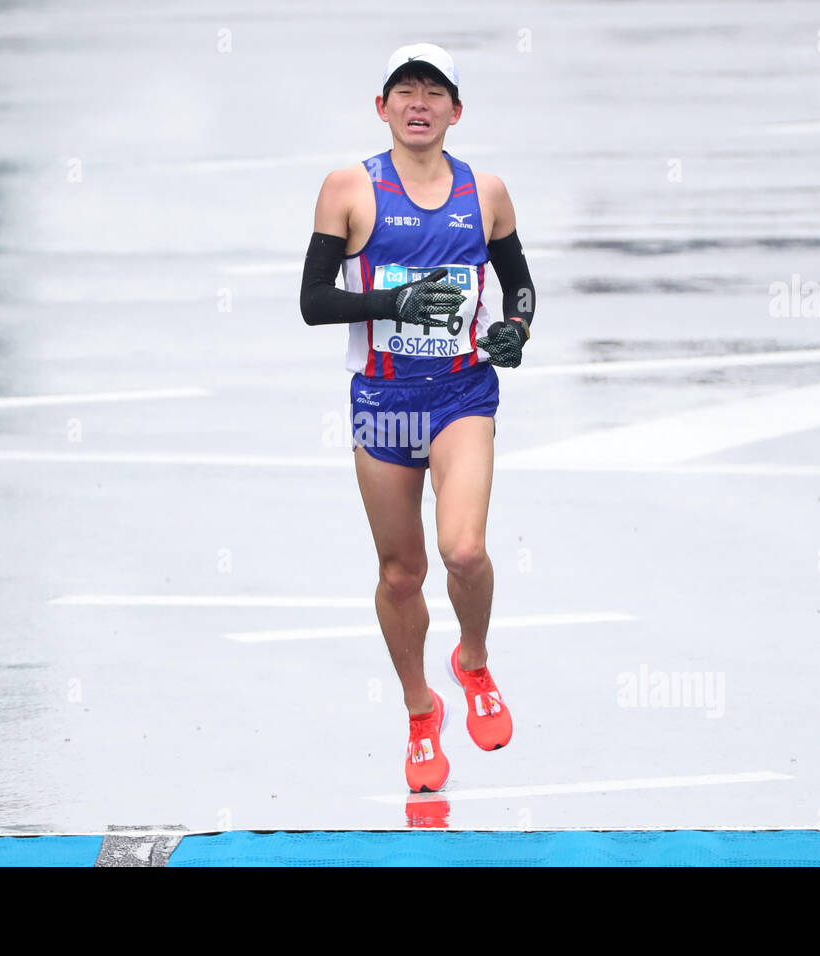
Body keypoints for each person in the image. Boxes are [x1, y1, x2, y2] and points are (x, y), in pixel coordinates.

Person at [299, 43, 536, 792]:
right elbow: (313, 302)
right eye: (406, 90)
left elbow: (521, 289)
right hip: (385, 401)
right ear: (383, 107)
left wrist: (516, 332)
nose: (420, 102)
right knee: (403, 574)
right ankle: (419, 712)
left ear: (455, 111)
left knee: (464, 552)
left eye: (435, 91)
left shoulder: (487, 192)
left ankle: (473, 660)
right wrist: (390, 302)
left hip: (463, 394)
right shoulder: (349, 188)